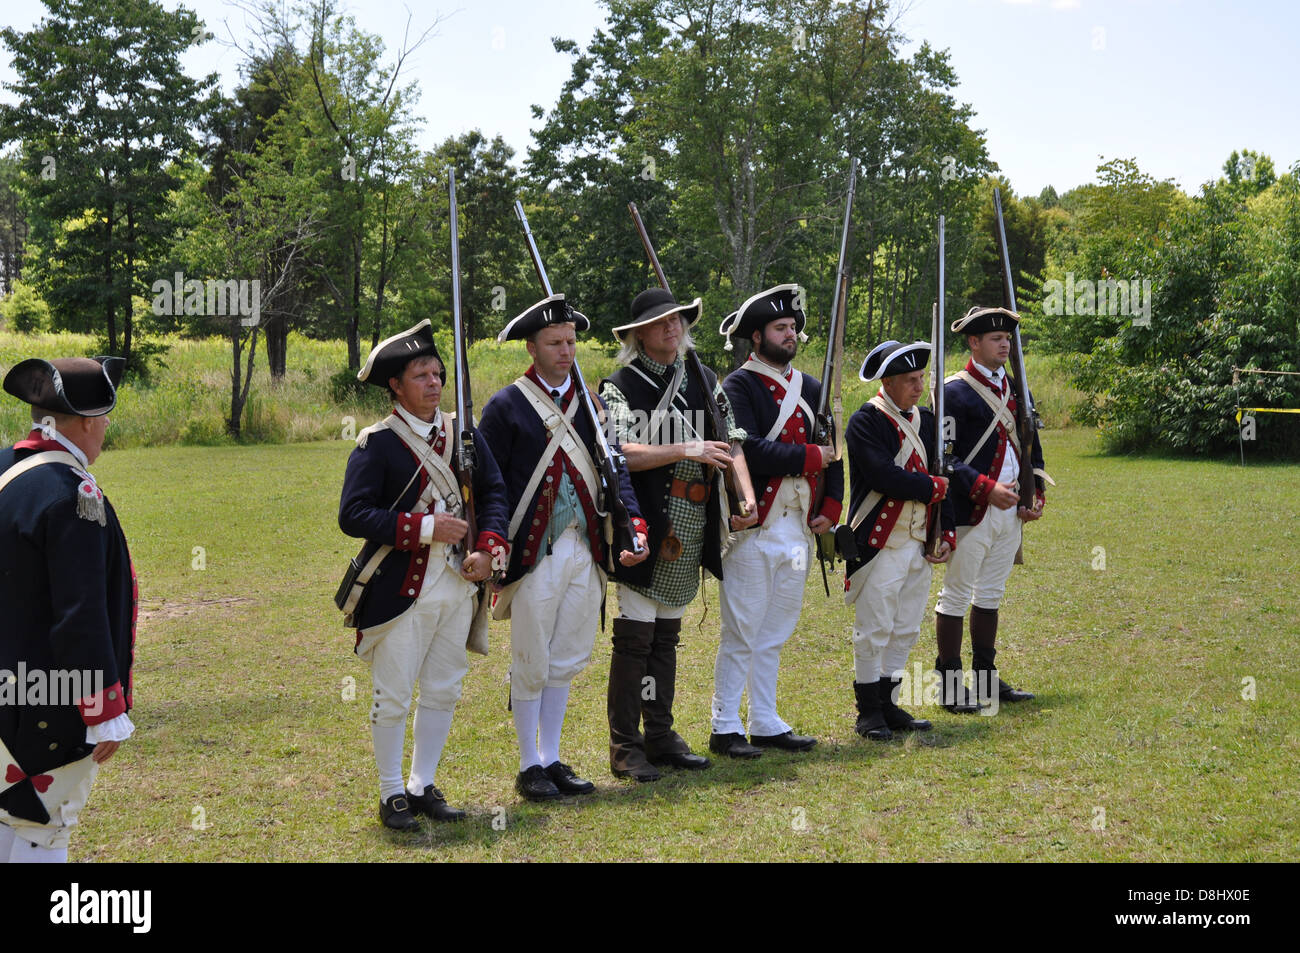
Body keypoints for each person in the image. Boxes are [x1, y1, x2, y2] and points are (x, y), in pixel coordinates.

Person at [478, 294, 649, 801]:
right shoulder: (507, 405)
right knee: (533, 655)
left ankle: (552, 756)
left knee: (568, 655)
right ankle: (528, 763)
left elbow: (614, 468)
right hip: (533, 551)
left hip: (586, 546)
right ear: (532, 348)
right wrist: (490, 543)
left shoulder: (590, 404)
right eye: (555, 342)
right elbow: (491, 485)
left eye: (571, 341)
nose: (566, 351)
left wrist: (633, 522)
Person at [338, 319, 508, 831]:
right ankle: (391, 792)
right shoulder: (377, 444)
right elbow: (353, 514)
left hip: (458, 584)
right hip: (399, 589)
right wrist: (426, 527)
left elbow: (495, 494)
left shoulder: (464, 434)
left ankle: (422, 783)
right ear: (395, 385)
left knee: (443, 689)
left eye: (437, 373)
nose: (434, 383)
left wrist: (488, 545)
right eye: (421, 375)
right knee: (393, 694)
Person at [599, 288, 759, 781]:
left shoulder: (705, 379)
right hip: (645, 517)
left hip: (695, 520)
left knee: (666, 635)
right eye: (661, 322)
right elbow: (618, 450)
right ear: (637, 335)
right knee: (635, 638)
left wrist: (745, 493)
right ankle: (625, 746)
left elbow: (732, 443)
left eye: (678, 320)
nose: (673, 328)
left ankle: (661, 734)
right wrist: (683, 449)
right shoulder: (620, 384)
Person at [0, 355, 136, 862]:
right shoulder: (73, 494)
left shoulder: (5, 466)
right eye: (102, 418)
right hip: (54, 698)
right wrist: (102, 709)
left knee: (12, 810)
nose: (104, 429)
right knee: (48, 823)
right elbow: (79, 614)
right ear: (84, 421)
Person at [708, 284, 843, 758]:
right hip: (756, 524)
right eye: (781, 328)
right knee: (742, 630)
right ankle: (724, 725)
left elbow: (834, 451)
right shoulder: (736, 387)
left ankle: (764, 720)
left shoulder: (810, 387)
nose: (790, 336)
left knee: (775, 631)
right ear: (756, 336)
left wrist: (831, 508)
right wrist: (811, 457)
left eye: (793, 329)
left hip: (798, 526)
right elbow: (750, 451)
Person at [934, 306, 1050, 712]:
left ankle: (985, 678)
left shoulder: (1018, 389)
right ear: (973, 342)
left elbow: (1031, 441)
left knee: (992, 594)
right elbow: (943, 458)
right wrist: (985, 488)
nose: (1004, 344)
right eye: (995, 338)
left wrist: (1035, 488)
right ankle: (949, 684)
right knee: (956, 596)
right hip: (970, 509)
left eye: (1007, 338)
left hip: (1010, 511)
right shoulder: (952, 391)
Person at [843, 341, 955, 738]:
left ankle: (889, 705)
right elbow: (882, 475)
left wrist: (948, 530)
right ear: (887, 382)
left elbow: (948, 478)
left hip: (919, 539)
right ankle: (868, 711)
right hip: (880, 540)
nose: (919, 386)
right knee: (873, 626)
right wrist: (931, 487)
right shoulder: (865, 422)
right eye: (910, 379)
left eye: (921, 377)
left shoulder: (926, 418)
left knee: (906, 626)